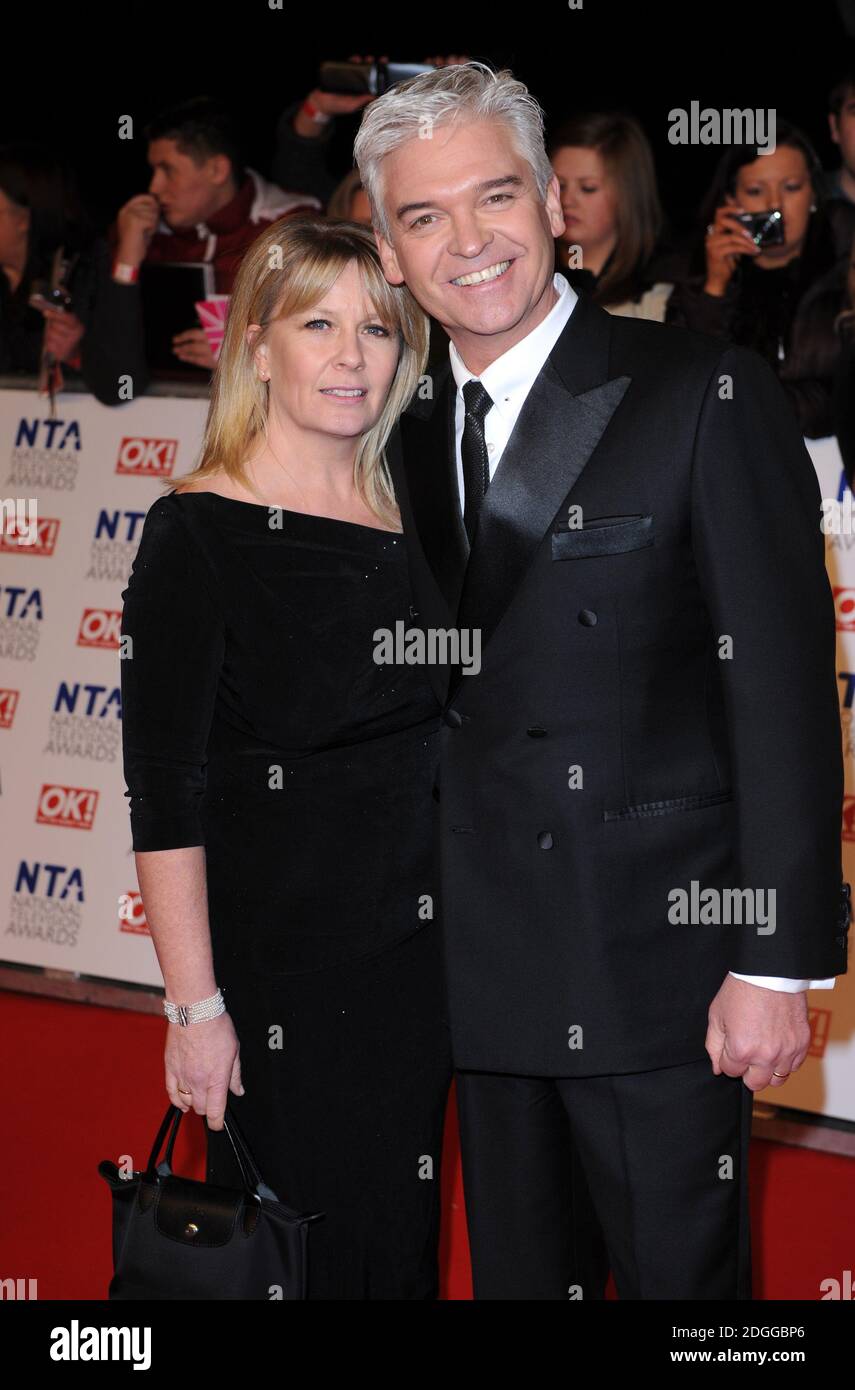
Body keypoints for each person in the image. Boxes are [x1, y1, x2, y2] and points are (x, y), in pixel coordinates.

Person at [353, 60, 850, 1300]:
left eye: (496, 197)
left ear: (557, 208)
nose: (469, 243)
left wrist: (778, 962)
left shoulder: (701, 391)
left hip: (661, 979)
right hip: (480, 976)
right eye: (424, 217)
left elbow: (785, 695)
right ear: (386, 243)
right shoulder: (389, 427)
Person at [119, 215, 453, 1300]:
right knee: (290, 1261)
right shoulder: (197, 533)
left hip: (422, 969)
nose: (354, 356)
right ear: (257, 344)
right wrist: (195, 1008)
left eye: (378, 327)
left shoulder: (422, 514)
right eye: (319, 323)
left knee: (393, 1245)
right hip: (282, 985)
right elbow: (162, 791)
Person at [89, 98, 320, 402]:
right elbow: (114, 384)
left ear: (216, 169)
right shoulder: (141, 233)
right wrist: (126, 264)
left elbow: (318, 351)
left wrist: (242, 359)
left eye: (167, 170)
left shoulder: (290, 228)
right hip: (151, 433)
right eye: (153, 171)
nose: (154, 187)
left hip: (256, 430)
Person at [665, 123, 855, 437]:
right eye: (755, 191)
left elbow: (837, 399)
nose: (774, 205)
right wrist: (713, 291)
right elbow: (685, 384)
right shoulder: (694, 271)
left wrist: (751, 405)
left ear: (813, 193)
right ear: (730, 201)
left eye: (791, 187)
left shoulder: (846, 263)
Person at [547, 111, 678, 321]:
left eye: (588, 188)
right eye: (559, 186)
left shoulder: (665, 293)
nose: (566, 200)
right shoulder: (535, 278)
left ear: (627, 194)